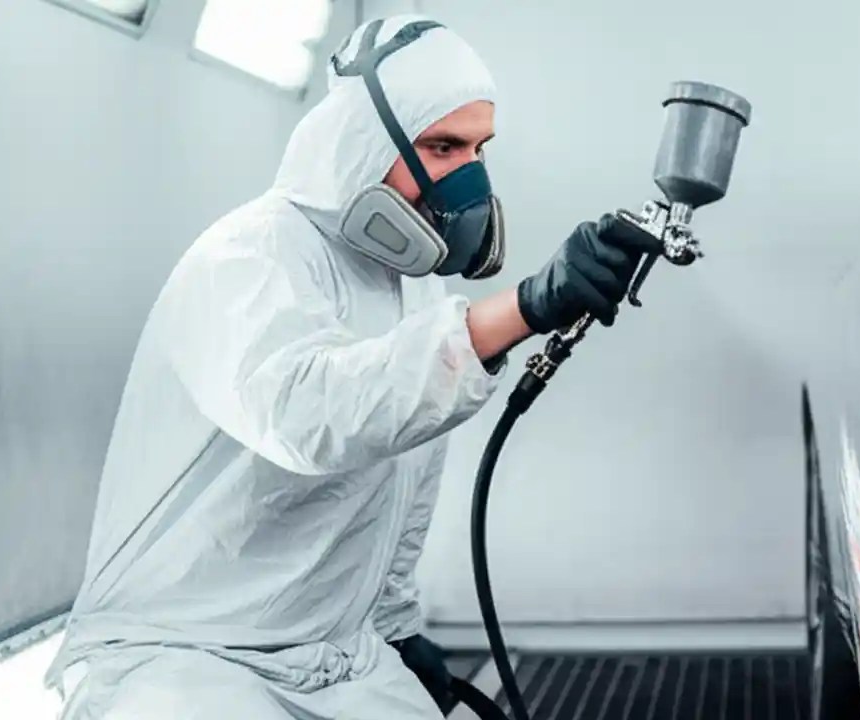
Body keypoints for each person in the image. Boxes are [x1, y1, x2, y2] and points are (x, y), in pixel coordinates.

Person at [45, 14, 659, 719]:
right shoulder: (248, 256)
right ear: (368, 144)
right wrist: (520, 309)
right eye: (442, 147)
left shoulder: (413, 285)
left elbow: (400, 489)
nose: (469, 178)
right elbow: (312, 414)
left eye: (478, 149)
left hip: (337, 655)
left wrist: (397, 629)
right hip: (187, 658)